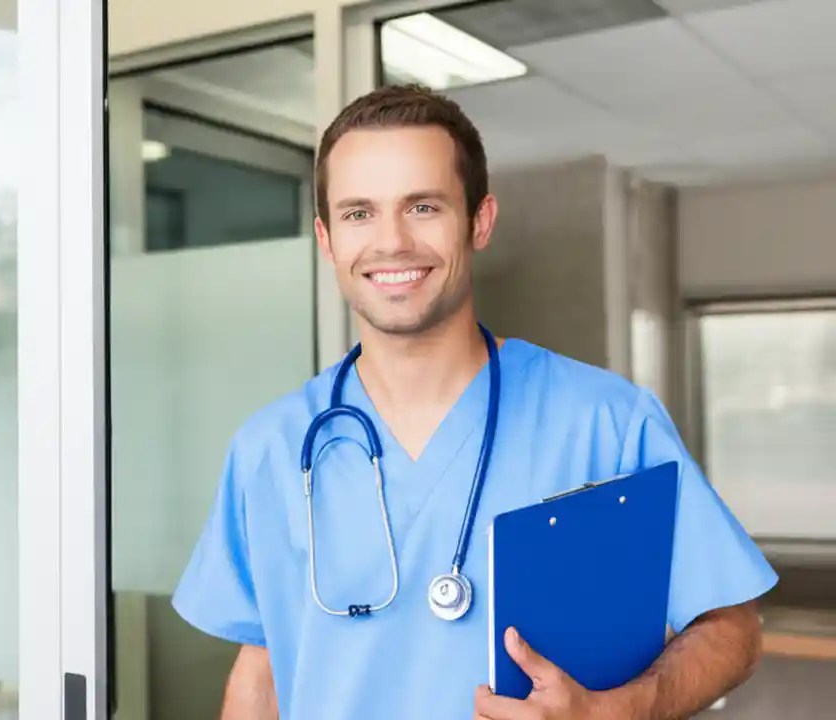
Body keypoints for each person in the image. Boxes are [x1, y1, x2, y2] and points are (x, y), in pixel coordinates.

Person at [171, 83, 777, 719]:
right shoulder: (270, 446)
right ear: (326, 238)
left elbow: (732, 630)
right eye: (358, 213)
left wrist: (618, 711)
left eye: (423, 207)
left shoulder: (606, 422)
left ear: (479, 221)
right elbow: (263, 665)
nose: (391, 242)